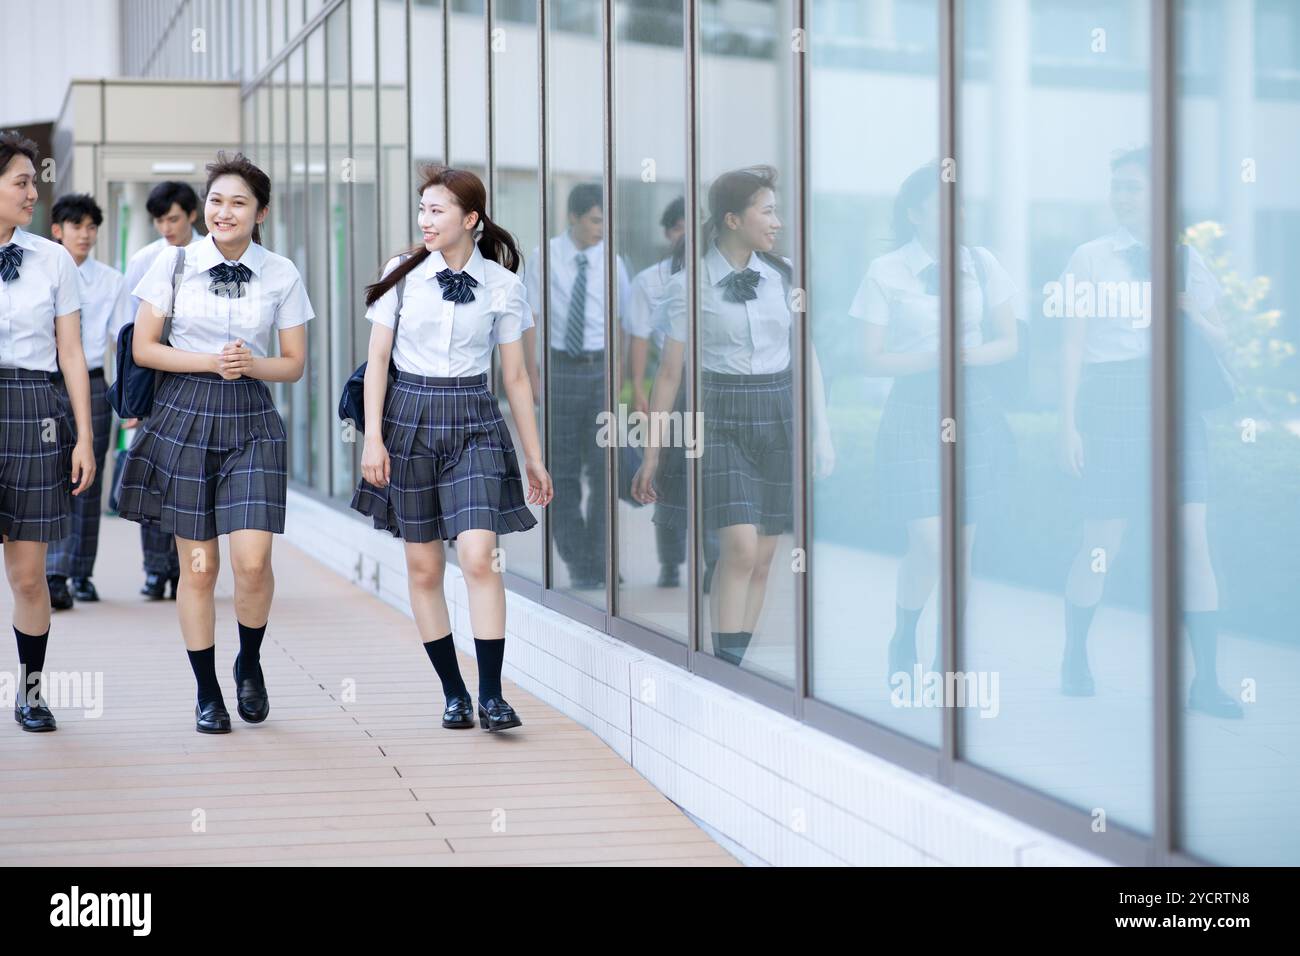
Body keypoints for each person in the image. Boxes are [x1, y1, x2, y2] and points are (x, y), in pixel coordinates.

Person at [115, 152, 313, 734]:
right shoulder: (173, 265)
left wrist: (253, 364)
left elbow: (296, 365)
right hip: (182, 415)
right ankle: (207, 692)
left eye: (239, 203)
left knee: (252, 563)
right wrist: (209, 361)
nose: (224, 212)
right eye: (218, 201)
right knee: (198, 568)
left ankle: (248, 663)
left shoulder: (281, 272)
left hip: (251, 416)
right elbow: (143, 348)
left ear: (261, 213)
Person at [352, 165, 552, 732]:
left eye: (437, 211)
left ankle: (492, 695)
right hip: (407, 417)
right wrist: (372, 438)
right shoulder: (402, 274)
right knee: (422, 568)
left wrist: (533, 455)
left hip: (474, 420)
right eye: (422, 210)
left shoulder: (504, 285)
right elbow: (379, 364)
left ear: (471, 219)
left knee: (478, 557)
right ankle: (454, 692)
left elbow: (514, 378)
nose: (425, 221)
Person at [1058, 146, 1240, 718]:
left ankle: (1206, 682)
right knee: (1101, 543)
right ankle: (1074, 656)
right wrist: (1067, 424)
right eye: (1117, 186)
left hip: (1175, 400)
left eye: (1133, 186)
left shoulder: (1187, 258)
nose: (1123, 195)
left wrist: (1194, 312)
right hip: (1110, 399)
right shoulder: (1089, 256)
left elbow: (1224, 340)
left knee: (1194, 539)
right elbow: (1073, 345)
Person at [633, 165, 834, 667]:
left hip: (779, 411)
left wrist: (821, 435)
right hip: (718, 415)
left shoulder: (785, 274)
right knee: (740, 548)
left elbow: (805, 355)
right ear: (732, 219)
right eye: (767, 211)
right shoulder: (691, 284)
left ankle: (736, 662)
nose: (777, 222)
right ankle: (723, 668)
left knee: (764, 558)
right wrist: (652, 455)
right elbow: (671, 374)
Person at [849, 162, 1019, 686]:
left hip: (972, 402)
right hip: (913, 407)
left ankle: (948, 656)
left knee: (960, 545)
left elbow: (1009, 341)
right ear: (915, 211)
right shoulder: (886, 270)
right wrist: (933, 359)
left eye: (960, 203)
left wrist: (967, 356)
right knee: (929, 539)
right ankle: (905, 634)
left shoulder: (984, 264)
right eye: (942, 202)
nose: (955, 213)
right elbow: (869, 358)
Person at [0, 131, 97, 732]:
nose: (34, 192)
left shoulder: (53, 258)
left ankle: (31, 692)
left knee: (30, 574)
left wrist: (84, 436)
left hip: (35, 409)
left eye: (34, 180)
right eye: (21, 182)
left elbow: (71, 352)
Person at [523, 183, 631, 589]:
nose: (601, 228)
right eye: (595, 220)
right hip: (559, 369)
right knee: (562, 472)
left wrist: (617, 377)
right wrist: (533, 375)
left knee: (605, 469)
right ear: (574, 217)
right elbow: (529, 316)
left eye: (605, 221)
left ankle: (602, 560)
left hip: (600, 369)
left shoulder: (613, 262)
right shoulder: (544, 257)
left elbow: (621, 322)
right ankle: (580, 562)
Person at [111, 181, 204, 600]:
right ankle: (154, 569)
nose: (166, 227)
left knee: (191, 477)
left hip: (196, 378)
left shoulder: (210, 257)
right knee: (152, 472)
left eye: (174, 219)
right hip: (153, 377)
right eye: (159, 220)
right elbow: (127, 329)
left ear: (192, 216)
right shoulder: (144, 260)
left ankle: (187, 568)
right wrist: (130, 395)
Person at [43, 193, 125, 609]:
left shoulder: (111, 280)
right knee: (50, 477)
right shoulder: (39, 271)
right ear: (58, 230)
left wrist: (131, 405)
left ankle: (80, 573)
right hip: (44, 384)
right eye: (77, 226)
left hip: (92, 384)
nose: (86, 234)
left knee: (87, 481)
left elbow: (122, 341)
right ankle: (54, 573)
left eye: (92, 227)